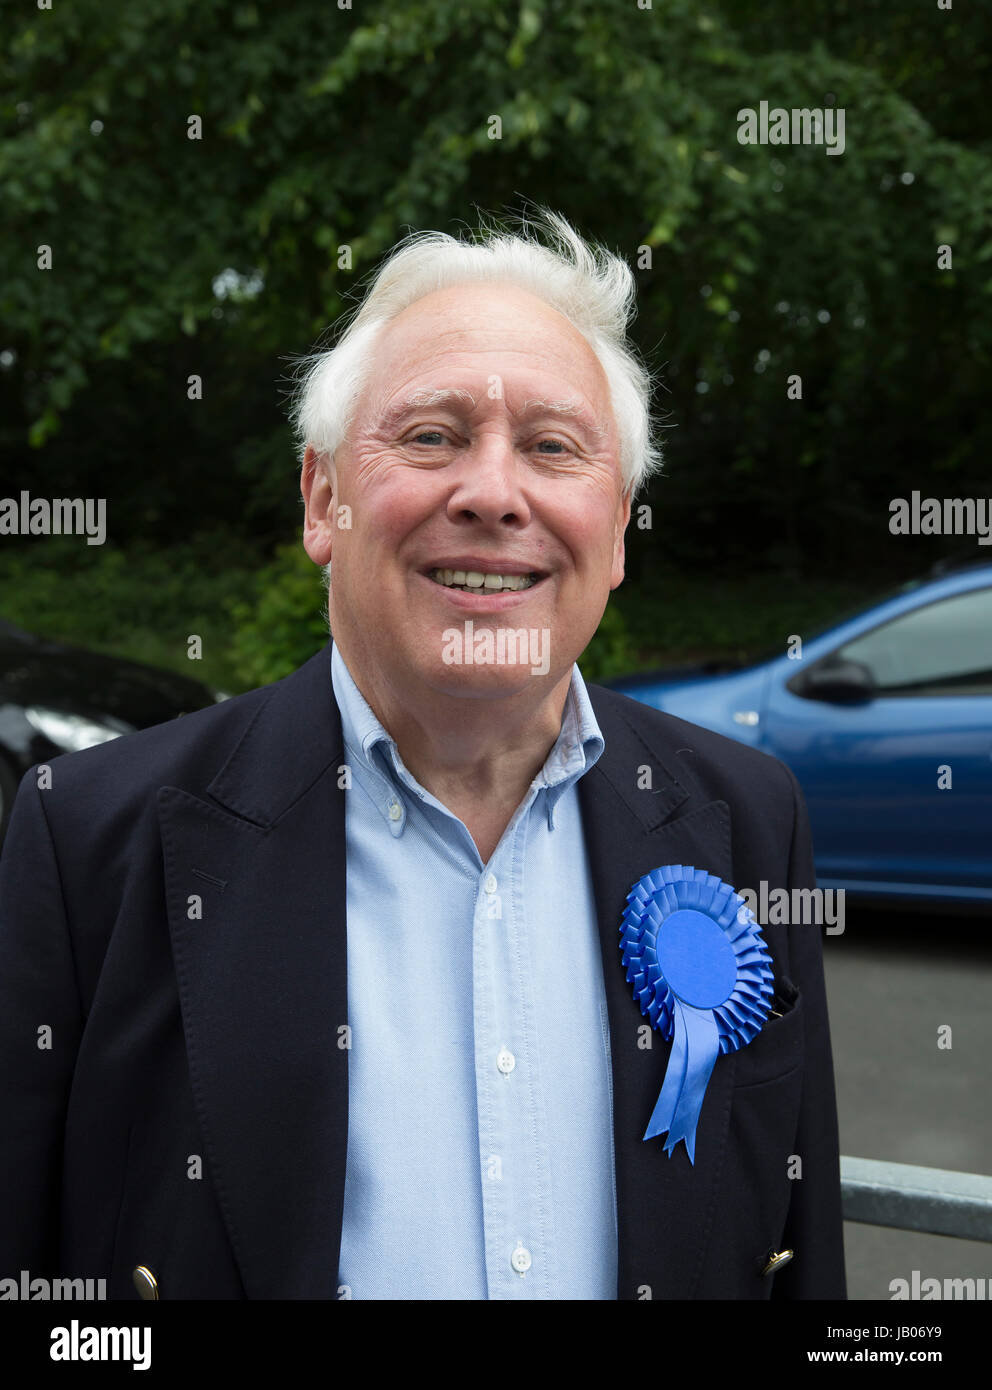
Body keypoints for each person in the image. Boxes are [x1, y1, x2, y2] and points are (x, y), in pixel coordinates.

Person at [0, 209, 845, 1300]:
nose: (493, 494)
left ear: (620, 529)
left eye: (551, 446)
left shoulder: (745, 813)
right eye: (432, 435)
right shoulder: (87, 838)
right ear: (321, 500)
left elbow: (797, 1257)